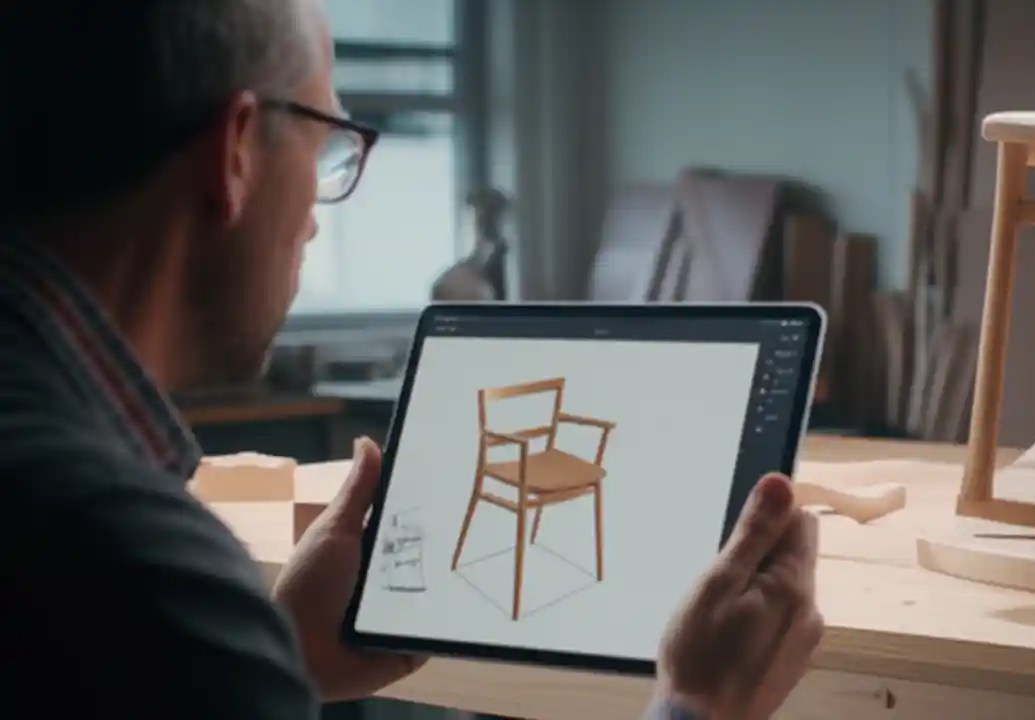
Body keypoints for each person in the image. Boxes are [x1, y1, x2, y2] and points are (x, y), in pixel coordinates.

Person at [0, 2, 823, 719]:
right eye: (329, 150)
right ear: (237, 153)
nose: (319, 222)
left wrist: (276, 657)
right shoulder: (130, 574)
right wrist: (697, 705)